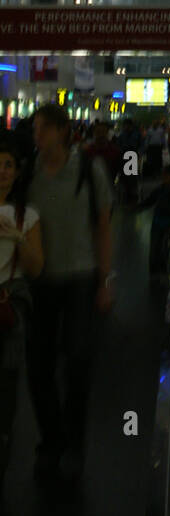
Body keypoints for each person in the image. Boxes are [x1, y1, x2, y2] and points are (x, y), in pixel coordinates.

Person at [26, 104, 114, 482]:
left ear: (63, 131)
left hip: (80, 278)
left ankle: (74, 444)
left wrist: (105, 281)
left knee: (77, 364)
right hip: (40, 278)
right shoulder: (28, 172)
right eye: (35, 129)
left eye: (43, 129)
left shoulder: (88, 170)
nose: (37, 136)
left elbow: (103, 227)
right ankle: (52, 440)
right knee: (39, 368)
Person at [0, 137, 43, 495]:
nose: (1, 172)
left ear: (17, 172)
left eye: (8, 165)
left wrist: (18, 238)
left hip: (8, 302)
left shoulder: (25, 216)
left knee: (6, 383)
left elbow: (36, 267)